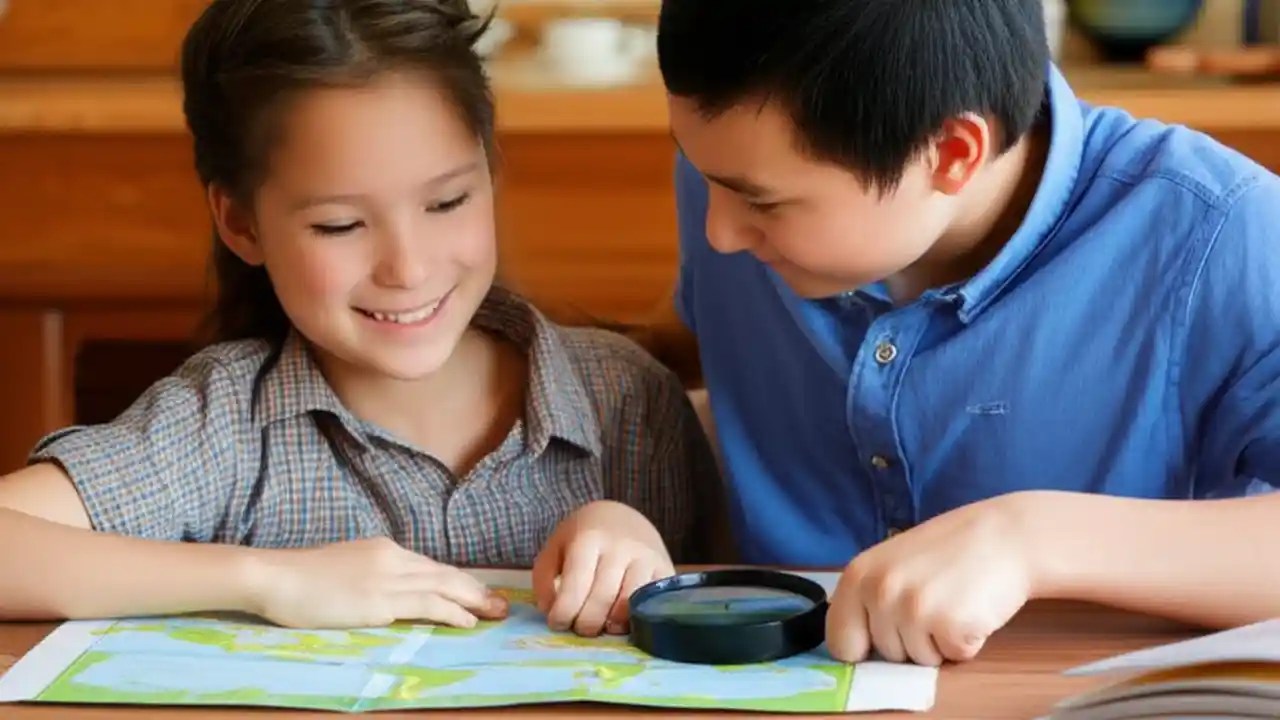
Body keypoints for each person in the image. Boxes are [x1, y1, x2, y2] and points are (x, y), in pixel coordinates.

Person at [0, 0, 721, 640]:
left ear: (491, 169)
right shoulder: (219, 427)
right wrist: (271, 580)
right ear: (242, 223)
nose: (406, 267)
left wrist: (639, 542)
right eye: (341, 225)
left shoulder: (626, 403)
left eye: (446, 204)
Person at [643, 0, 1280, 667]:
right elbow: (674, 350)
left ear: (950, 153)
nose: (720, 233)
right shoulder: (740, 165)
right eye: (699, 170)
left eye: (761, 202)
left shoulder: (1216, 233)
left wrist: (1032, 539)